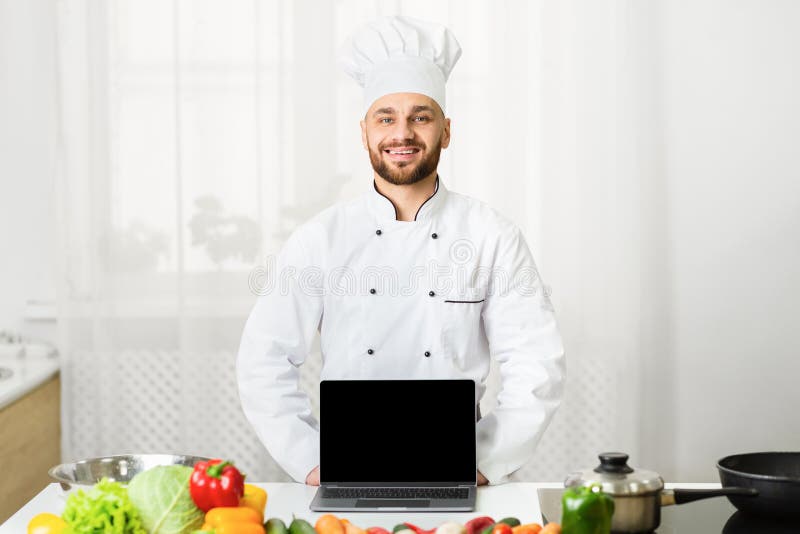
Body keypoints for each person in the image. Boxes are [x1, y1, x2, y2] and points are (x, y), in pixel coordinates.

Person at [237, 15, 565, 486]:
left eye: (420, 117)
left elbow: (536, 362)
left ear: (446, 131)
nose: (402, 133)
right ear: (365, 131)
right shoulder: (321, 239)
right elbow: (263, 358)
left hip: (461, 470)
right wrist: (311, 461)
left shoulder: (492, 236)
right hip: (345, 471)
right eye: (386, 118)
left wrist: (487, 463)